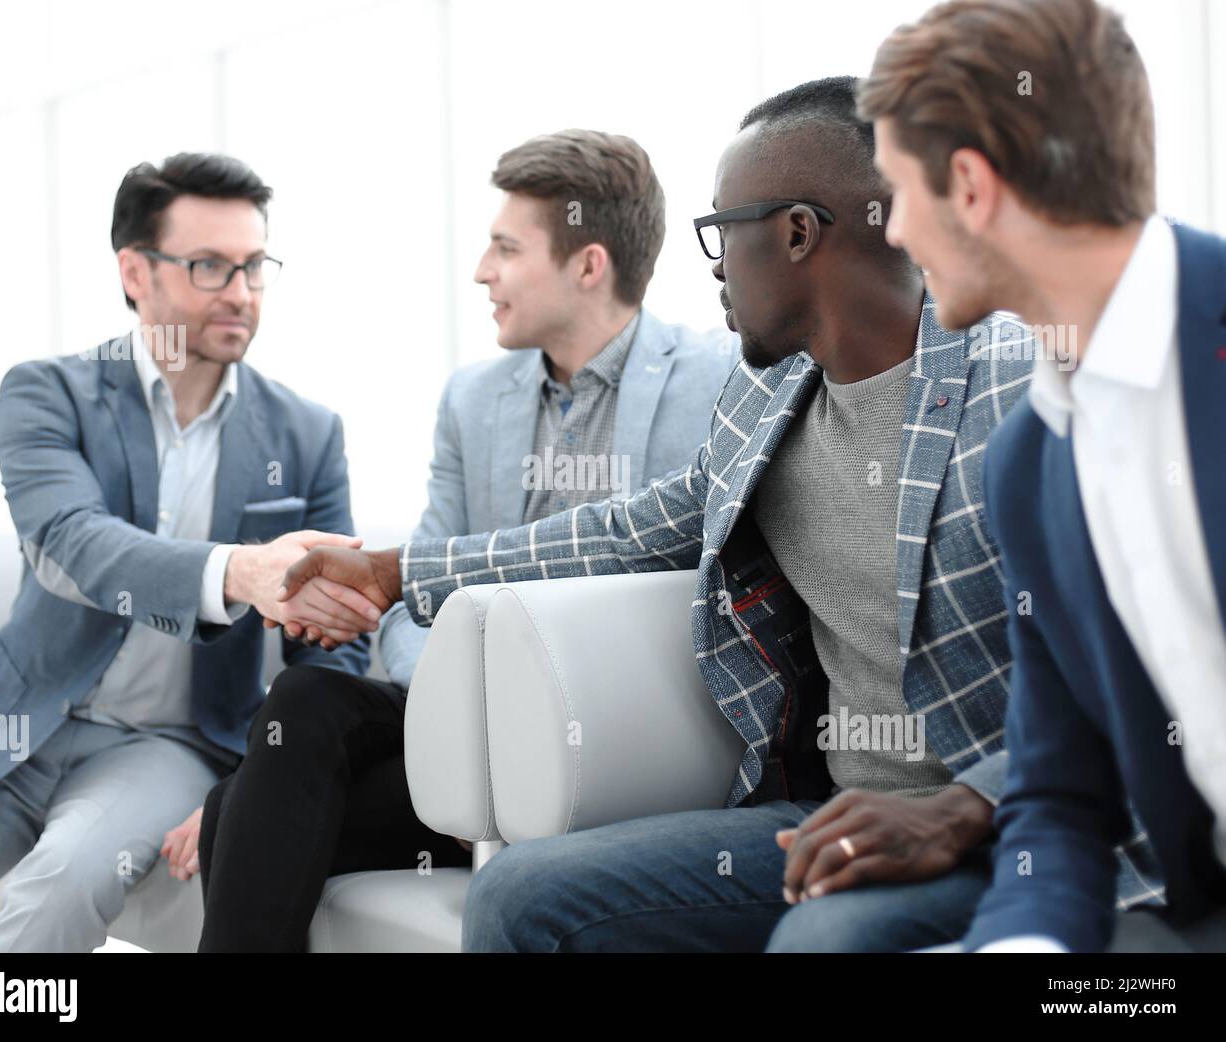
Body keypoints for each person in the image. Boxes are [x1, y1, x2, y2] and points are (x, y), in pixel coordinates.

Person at [278, 79, 1132, 953]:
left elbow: (1141, 667)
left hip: (1022, 829)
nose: (716, 266)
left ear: (798, 232)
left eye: (723, 231)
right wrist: (392, 573)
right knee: (518, 896)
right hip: (827, 823)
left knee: (820, 945)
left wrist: (961, 809)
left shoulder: (1022, 387)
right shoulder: (764, 399)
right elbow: (629, 530)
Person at [196, 129, 737, 952]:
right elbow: (420, 599)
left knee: (233, 812)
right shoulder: (474, 399)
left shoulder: (714, 378)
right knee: (301, 707)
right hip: (466, 722)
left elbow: (675, 569)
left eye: (505, 248)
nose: (483, 271)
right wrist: (464, 722)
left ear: (588, 265)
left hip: (611, 737)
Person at [0, 153, 368, 952]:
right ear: (136, 271)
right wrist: (240, 571)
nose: (239, 292)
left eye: (254, 266)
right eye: (208, 266)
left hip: (166, 747)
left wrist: (251, 788)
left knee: (60, 882)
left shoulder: (306, 434)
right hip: (14, 720)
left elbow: (337, 656)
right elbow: (71, 543)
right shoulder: (50, 392)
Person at [860, 0, 1226, 953]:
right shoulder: (1027, 463)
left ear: (971, 187)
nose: (895, 231)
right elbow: (1060, 800)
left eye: (897, 190)